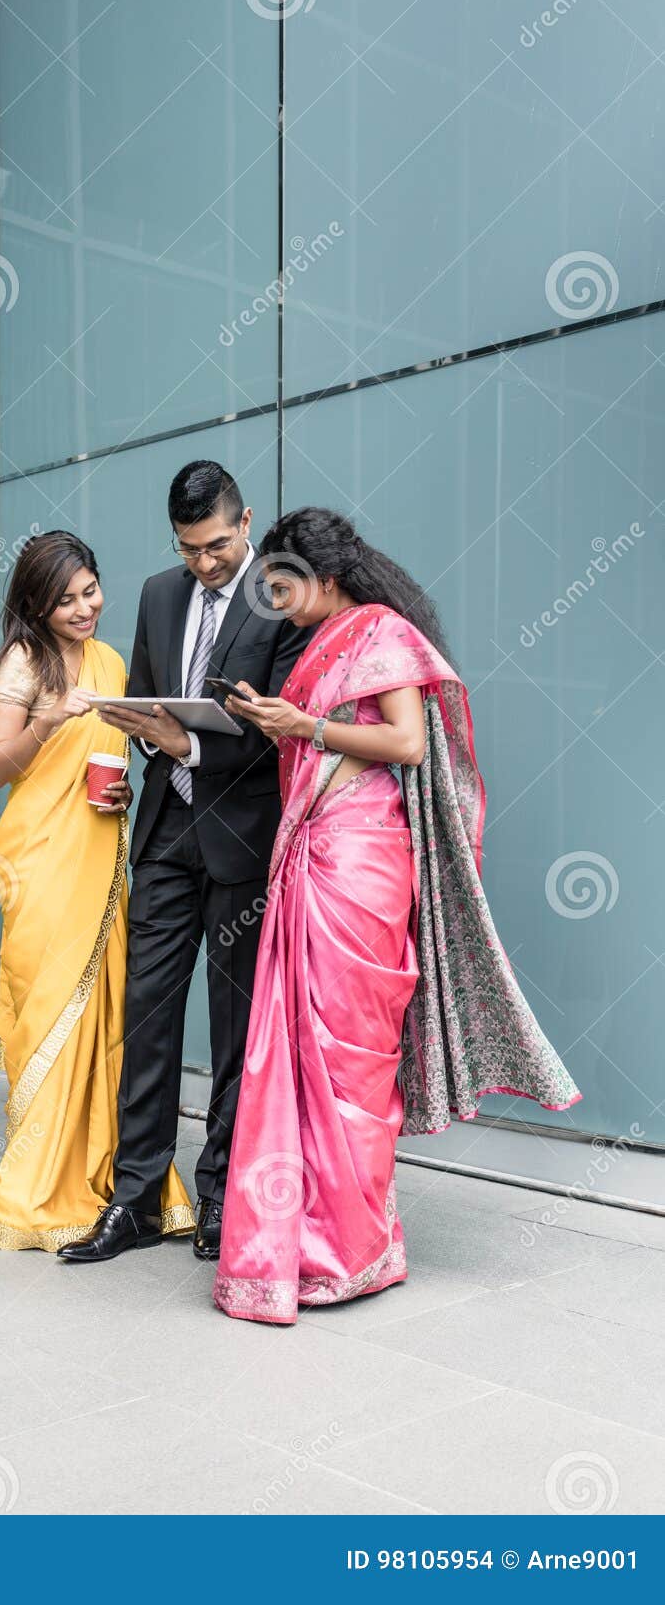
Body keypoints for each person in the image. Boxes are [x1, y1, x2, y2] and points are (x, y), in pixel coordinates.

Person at [211, 507, 582, 1324]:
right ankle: (297, 1243)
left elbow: (409, 743)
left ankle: (352, 1248)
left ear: (326, 578)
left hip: (364, 860)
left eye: (282, 586)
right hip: (313, 851)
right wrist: (279, 724)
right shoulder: (319, 644)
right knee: (304, 1055)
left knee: (350, 1056)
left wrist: (302, 723)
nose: (275, 601)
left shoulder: (379, 631)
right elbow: (325, 744)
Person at [57, 462, 307, 1265]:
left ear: (246, 520)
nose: (203, 563)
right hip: (165, 834)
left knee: (232, 1033)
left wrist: (190, 740)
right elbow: (139, 693)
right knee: (148, 1018)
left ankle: (217, 1197)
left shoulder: (280, 595)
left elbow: (283, 731)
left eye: (216, 545)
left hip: (241, 839)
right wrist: (142, 728)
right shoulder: (159, 593)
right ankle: (134, 1200)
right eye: (188, 548)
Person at [0, 531, 193, 1251]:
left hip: (101, 855)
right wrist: (47, 719)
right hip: (40, 864)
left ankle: (111, 1182)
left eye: (90, 590)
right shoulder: (22, 662)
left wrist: (122, 792)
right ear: (36, 605)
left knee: (109, 1018)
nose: (84, 608)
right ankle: (41, 1187)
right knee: (48, 1014)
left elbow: (112, 755)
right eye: (65, 599)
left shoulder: (109, 662)